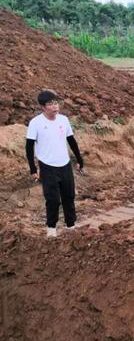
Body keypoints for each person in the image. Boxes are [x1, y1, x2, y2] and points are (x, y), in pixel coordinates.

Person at [25, 91, 84, 237]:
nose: (55, 106)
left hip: (65, 164)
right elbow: (29, 147)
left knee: (69, 196)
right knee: (52, 200)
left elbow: (71, 141)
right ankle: (51, 229)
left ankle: (71, 226)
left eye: (56, 103)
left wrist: (79, 159)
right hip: (47, 166)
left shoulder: (63, 120)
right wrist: (33, 168)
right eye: (50, 104)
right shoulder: (36, 123)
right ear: (43, 107)